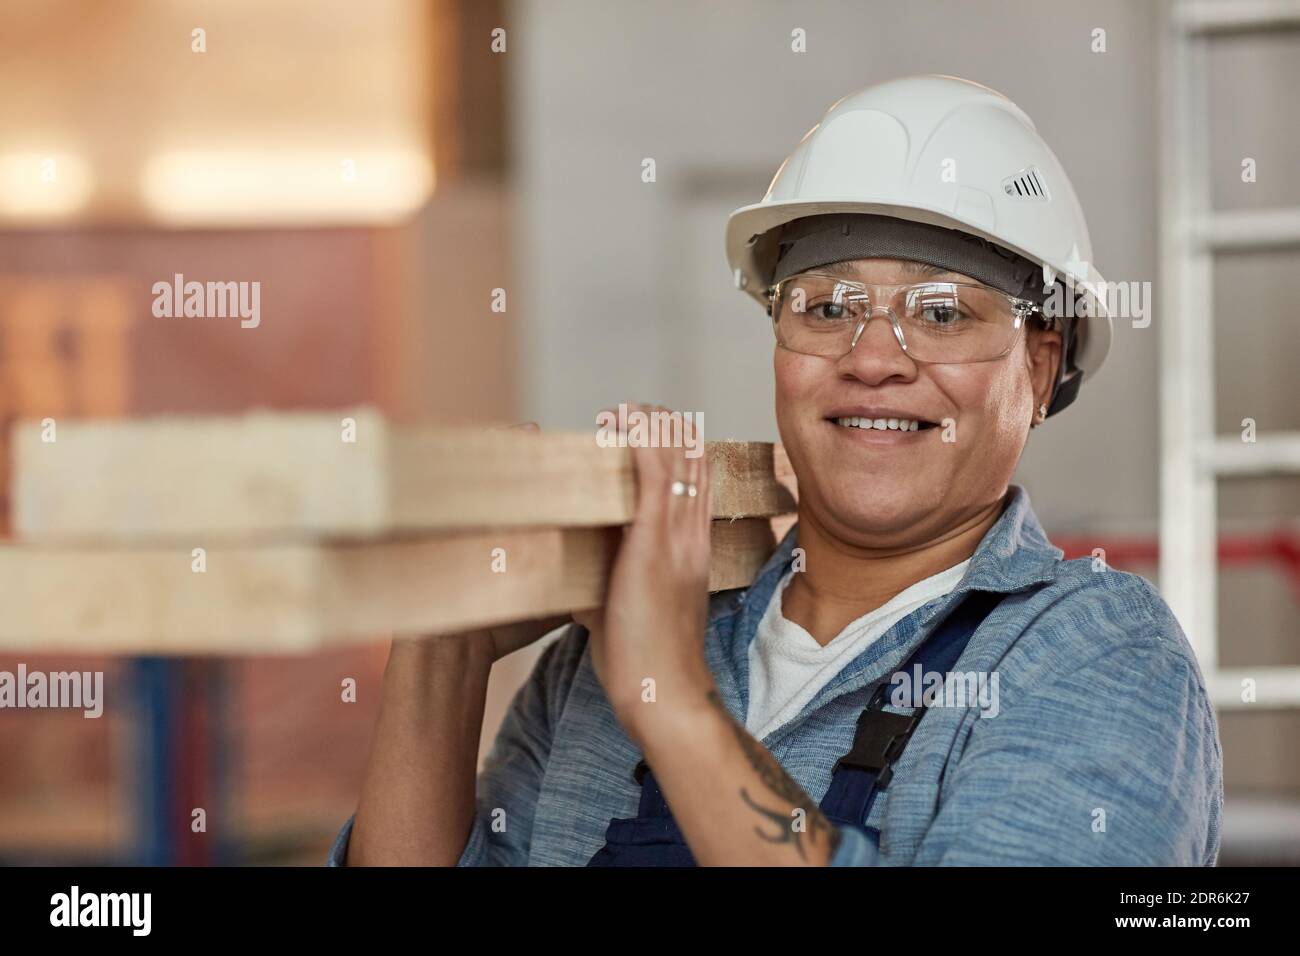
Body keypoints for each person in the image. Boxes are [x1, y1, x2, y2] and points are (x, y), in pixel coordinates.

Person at [330, 75, 1222, 866]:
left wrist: (672, 698)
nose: (874, 357)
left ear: (1036, 367)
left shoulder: (1096, 653)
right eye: (827, 306)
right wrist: (439, 645)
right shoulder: (621, 642)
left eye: (943, 313)